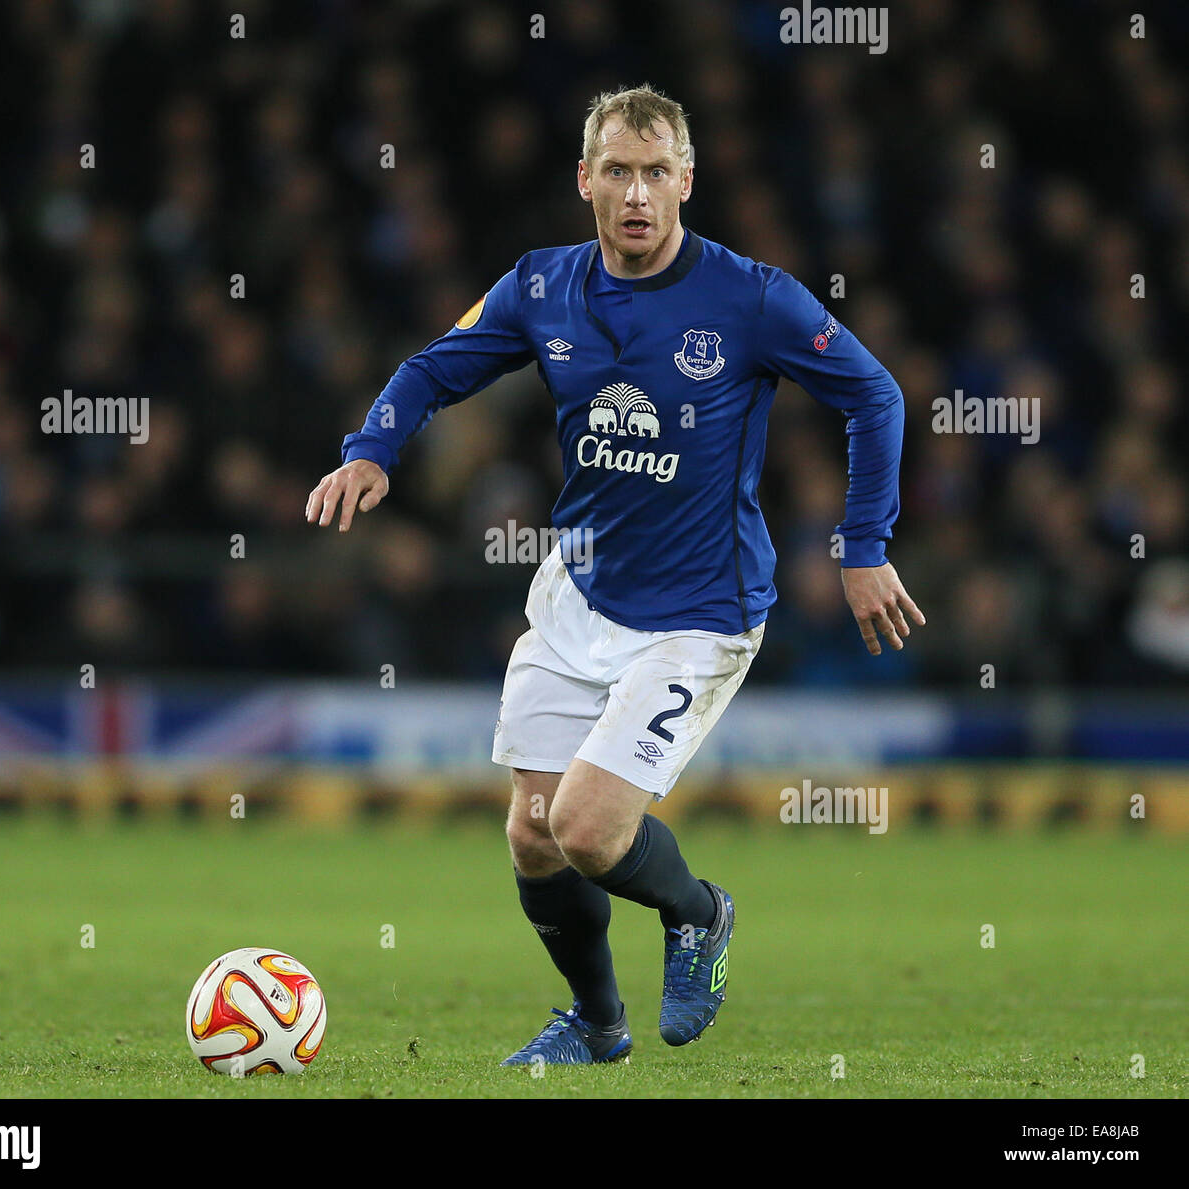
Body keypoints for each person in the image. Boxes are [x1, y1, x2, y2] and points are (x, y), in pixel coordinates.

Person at [307, 85, 925, 1065]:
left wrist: (862, 545)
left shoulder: (751, 298)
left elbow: (875, 397)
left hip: (698, 612)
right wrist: (372, 448)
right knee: (533, 836)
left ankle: (698, 911)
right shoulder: (541, 288)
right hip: (577, 596)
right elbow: (431, 368)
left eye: (654, 173)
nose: (636, 193)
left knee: (591, 826)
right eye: (617, 171)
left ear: (685, 182)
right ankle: (596, 1024)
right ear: (585, 180)